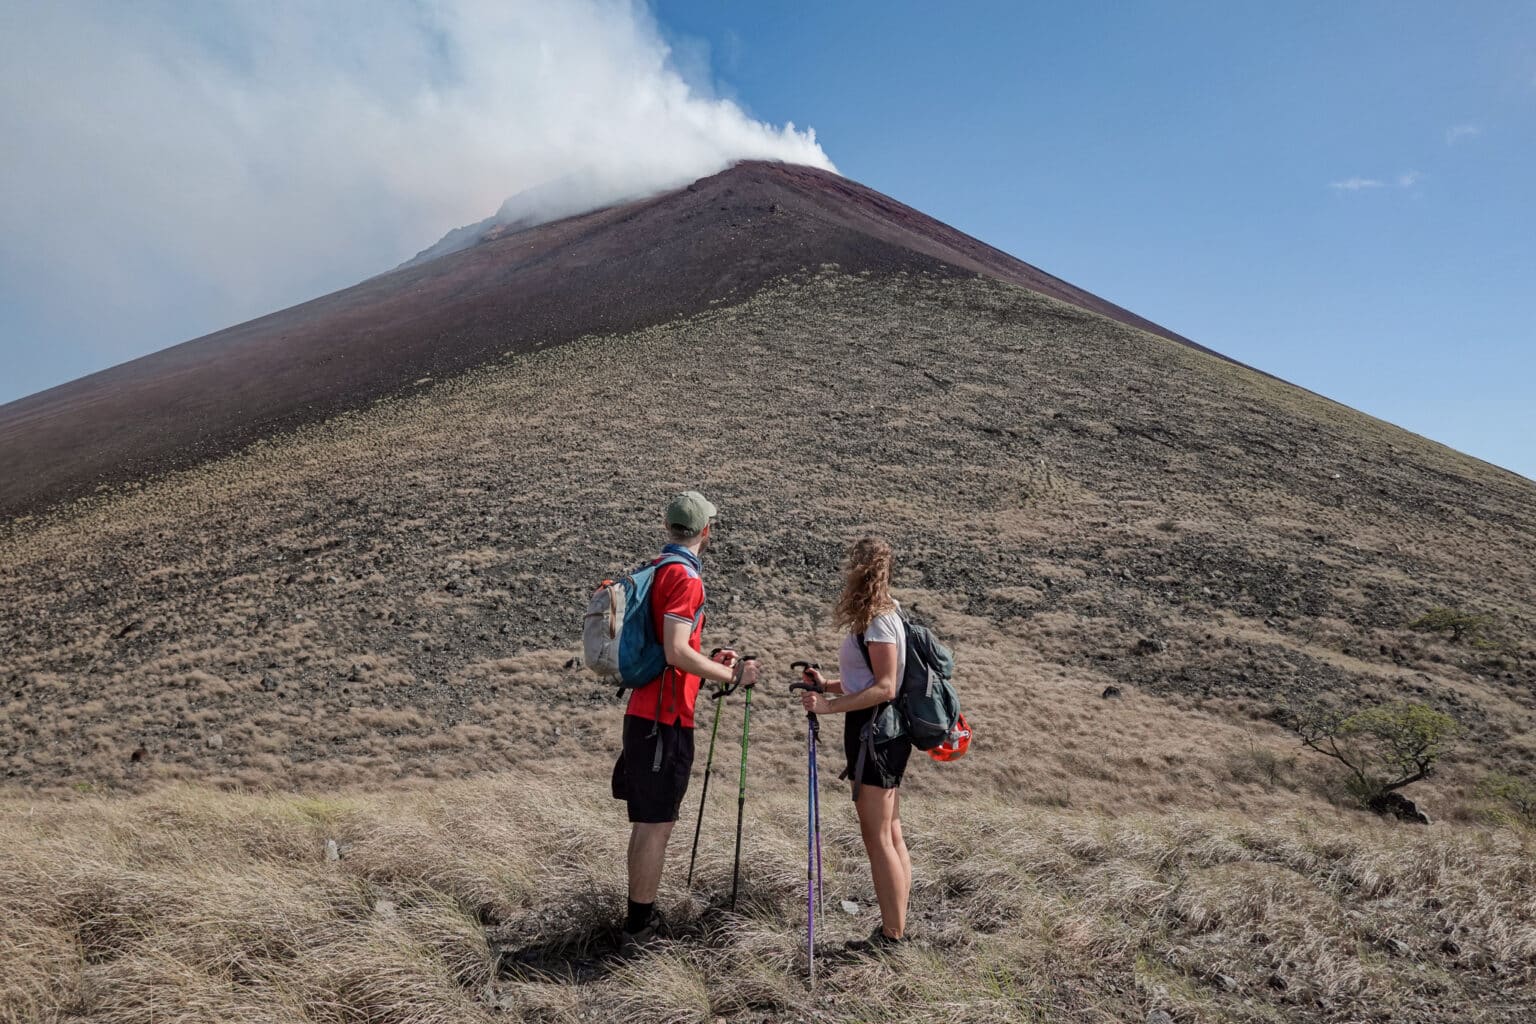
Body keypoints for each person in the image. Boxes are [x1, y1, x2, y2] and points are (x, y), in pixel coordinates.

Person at [612, 490, 758, 955]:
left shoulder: (657, 569)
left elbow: (673, 648)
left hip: (645, 712)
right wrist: (731, 674)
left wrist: (709, 660)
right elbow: (676, 651)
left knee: (647, 821)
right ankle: (639, 933)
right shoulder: (685, 579)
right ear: (706, 531)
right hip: (664, 718)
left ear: (669, 527)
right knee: (656, 824)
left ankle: (639, 919)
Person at [797, 536, 913, 949]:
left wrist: (830, 707)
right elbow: (867, 679)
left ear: (860, 570)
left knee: (878, 836)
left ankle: (893, 936)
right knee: (890, 831)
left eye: (852, 566)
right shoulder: (879, 616)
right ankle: (895, 926)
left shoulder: (880, 619)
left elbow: (884, 687)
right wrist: (827, 684)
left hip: (876, 732)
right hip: (877, 730)